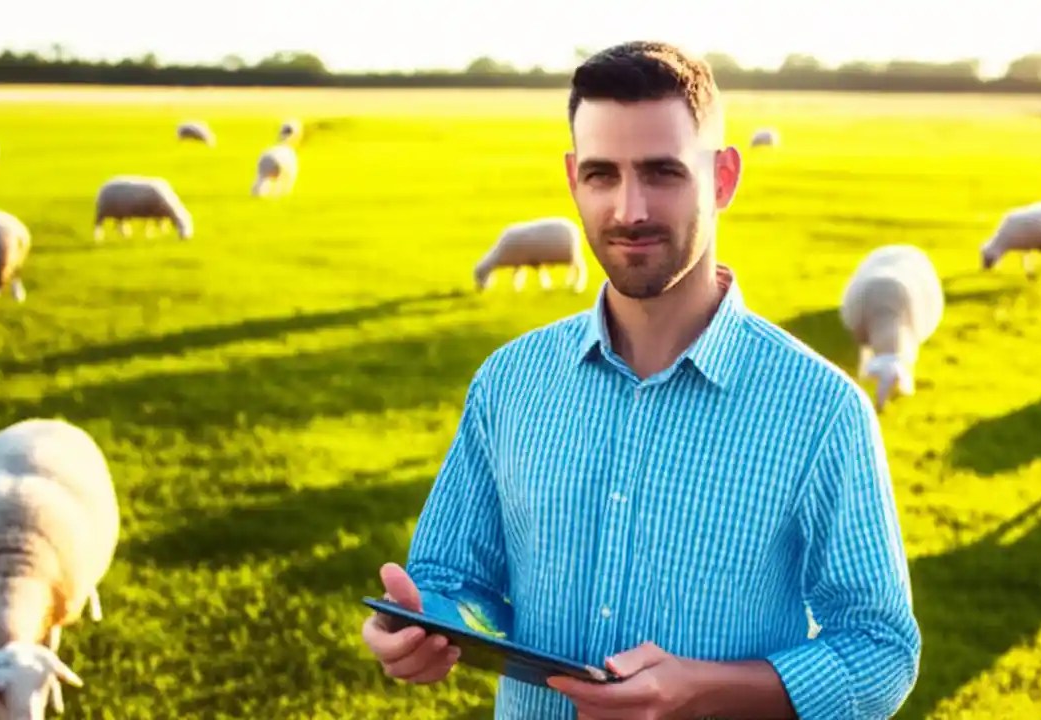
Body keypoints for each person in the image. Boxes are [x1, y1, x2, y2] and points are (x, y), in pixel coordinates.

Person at [360, 40, 921, 720]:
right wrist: (418, 622)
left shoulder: (821, 409)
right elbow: (450, 576)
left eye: (661, 173)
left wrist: (705, 691)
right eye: (602, 175)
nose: (629, 211)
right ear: (573, 179)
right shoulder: (509, 383)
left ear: (722, 178)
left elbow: (882, 648)